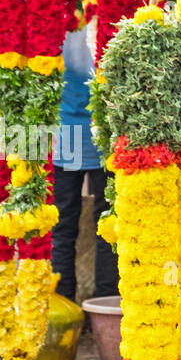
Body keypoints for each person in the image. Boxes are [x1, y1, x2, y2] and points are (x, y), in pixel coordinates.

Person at [51, 27, 119, 301]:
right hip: (100, 135)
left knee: (64, 225)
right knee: (107, 223)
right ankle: (103, 303)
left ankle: (64, 305)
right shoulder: (107, 9)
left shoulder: (58, 13)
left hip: (69, 136)